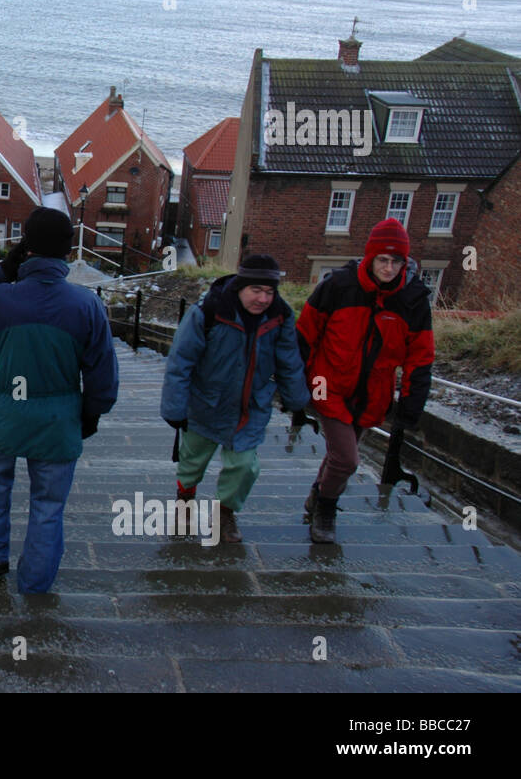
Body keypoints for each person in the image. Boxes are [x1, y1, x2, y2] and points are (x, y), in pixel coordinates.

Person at [0, 208, 119, 593]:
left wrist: (4, 270)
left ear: (26, 247)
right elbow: (103, 374)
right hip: (58, 422)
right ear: (65, 252)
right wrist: (91, 413)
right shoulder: (87, 305)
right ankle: (35, 583)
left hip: (6, 414)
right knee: (47, 507)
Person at [295, 218, 435, 543]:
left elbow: (420, 357)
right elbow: (305, 334)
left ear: (405, 262)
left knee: (338, 456)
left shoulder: (413, 301)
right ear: (370, 257)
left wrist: (411, 404)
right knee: (347, 458)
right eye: (382, 260)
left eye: (396, 261)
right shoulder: (338, 286)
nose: (388, 268)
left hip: (372, 395)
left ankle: (317, 494)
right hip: (327, 385)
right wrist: (295, 384)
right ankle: (326, 509)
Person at [160, 254, 310, 543]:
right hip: (206, 402)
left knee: (245, 466)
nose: (263, 299)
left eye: (269, 292)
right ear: (241, 287)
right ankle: (185, 498)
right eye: (256, 290)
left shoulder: (281, 316)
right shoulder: (209, 311)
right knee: (192, 462)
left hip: (250, 406)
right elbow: (181, 360)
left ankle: (224, 513)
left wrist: (297, 399)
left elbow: (289, 360)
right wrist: (174, 407)